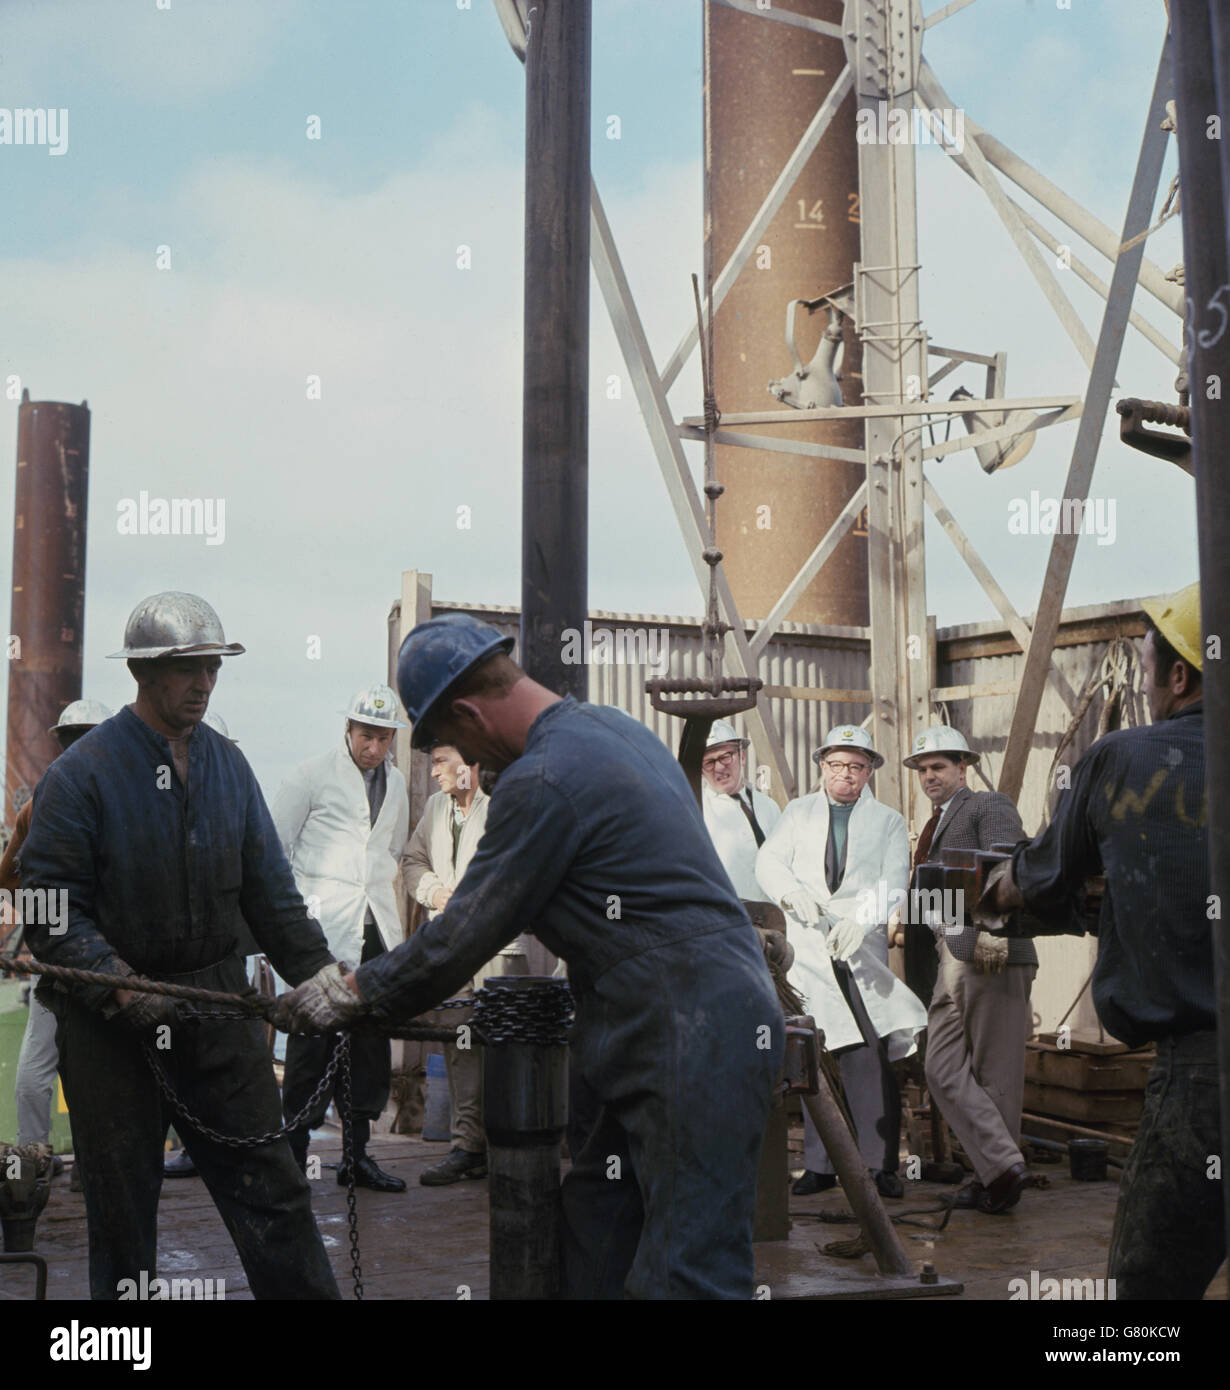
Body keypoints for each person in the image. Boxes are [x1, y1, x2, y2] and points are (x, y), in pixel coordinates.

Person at [275, 612, 784, 1300]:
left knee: (690, 1269)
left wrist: (351, 993)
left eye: (455, 741)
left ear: (466, 712)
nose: (468, 763)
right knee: (599, 1225)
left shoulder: (542, 780)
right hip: (664, 1018)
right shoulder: (617, 730)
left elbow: (462, 936)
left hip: (688, 1026)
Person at [19, 591, 341, 1300]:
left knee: (275, 1196)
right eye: (187, 668)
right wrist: (116, 982)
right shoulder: (81, 777)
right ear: (142, 671)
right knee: (123, 1218)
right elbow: (46, 908)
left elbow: (272, 896)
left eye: (212, 669)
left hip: (218, 1016)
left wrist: (318, 975)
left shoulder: (229, 768)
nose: (202, 683)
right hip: (111, 1035)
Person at [981, 582, 1222, 1299]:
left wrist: (994, 889)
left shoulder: (1123, 759)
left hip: (1205, 1080)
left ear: (1178, 676)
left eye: (1149, 674)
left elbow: (1045, 878)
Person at [756, 725, 926, 1199]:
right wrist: (791, 895)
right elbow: (769, 863)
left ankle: (880, 1164)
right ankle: (819, 1164)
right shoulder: (796, 813)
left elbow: (895, 878)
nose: (844, 775)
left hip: (859, 948)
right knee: (812, 1051)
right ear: (821, 767)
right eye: (835, 765)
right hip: (809, 947)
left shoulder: (888, 821)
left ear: (869, 770)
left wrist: (864, 919)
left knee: (868, 1053)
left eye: (855, 766)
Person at [272, 684, 410, 1193]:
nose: (372, 747)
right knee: (312, 1039)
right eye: (365, 734)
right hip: (322, 931)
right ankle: (293, 1155)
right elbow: (274, 854)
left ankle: (357, 1156)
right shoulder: (309, 775)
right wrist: (290, 930)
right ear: (348, 730)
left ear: (393, 739)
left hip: (375, 928)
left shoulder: (395, 784)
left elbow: (389, 854)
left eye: (382, 738)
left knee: (368, 1044)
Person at [898, 725, 1034, 1215]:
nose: (930, 776)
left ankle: (994, 1180)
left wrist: (995, 930)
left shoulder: (987, 805)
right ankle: (1003, 1166)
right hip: (953, 956)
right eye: (923, 769)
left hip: (989, 951)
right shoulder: (937, 823)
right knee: (941, 1067)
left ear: (963, 768)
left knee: (994, 1073)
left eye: (939, 766)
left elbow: (1007, 864)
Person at [2, 701, 111, 1171]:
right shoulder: (116, 799)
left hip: (56, 953)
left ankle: (32, 1157)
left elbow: (6, 876)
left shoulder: (36, 804)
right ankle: (93, 1164)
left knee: (39, 1059)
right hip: (106, 959)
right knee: (105, 1066)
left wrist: (43, 914)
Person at [403, 743, 502, 1186]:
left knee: (505, 1046)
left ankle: (508, 1144)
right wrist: (435, 895)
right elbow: (412, 860)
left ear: (470, 762)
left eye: (441, 761)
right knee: (459, 1047)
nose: (434, 771)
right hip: (449, 946)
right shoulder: (434, 808)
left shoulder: (500, 808)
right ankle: (467, 1148)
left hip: (498, 949)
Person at [700, 720, 782, 900]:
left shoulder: (768, 807)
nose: (719, 767)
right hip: (724, 916)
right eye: (709, 762)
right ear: (701, 770)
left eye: (725, 757)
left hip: (772, 917)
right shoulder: (697, 810)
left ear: (742, 756)